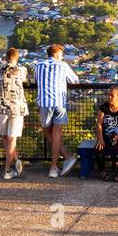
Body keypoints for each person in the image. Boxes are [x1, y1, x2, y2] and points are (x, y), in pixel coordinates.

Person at [34, 44, 79, 177]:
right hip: (59, 102)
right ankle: (55, 166)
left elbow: (36, 81)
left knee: (48, 132)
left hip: (44, 103)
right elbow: (75, 80)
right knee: (57, 134)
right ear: (58, 54)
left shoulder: (38, 65)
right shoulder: (63, 65)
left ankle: (65, 159)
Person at [0, 47, 29, 180]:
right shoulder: (22, 70)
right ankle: (7, 170)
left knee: (5, 137)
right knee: (12, 138)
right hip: (16, 106)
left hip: (0, 105)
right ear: (16, 57)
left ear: (5, 57)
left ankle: (15, 162)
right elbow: (24, 80)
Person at [94, 86, 118, 182]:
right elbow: (99, 124)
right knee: (98, 148)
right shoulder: (104, 107)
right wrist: (100, 138)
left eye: (112, 96)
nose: (109, 97)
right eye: (109, 95)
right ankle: (102, 171)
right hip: (106, 136)